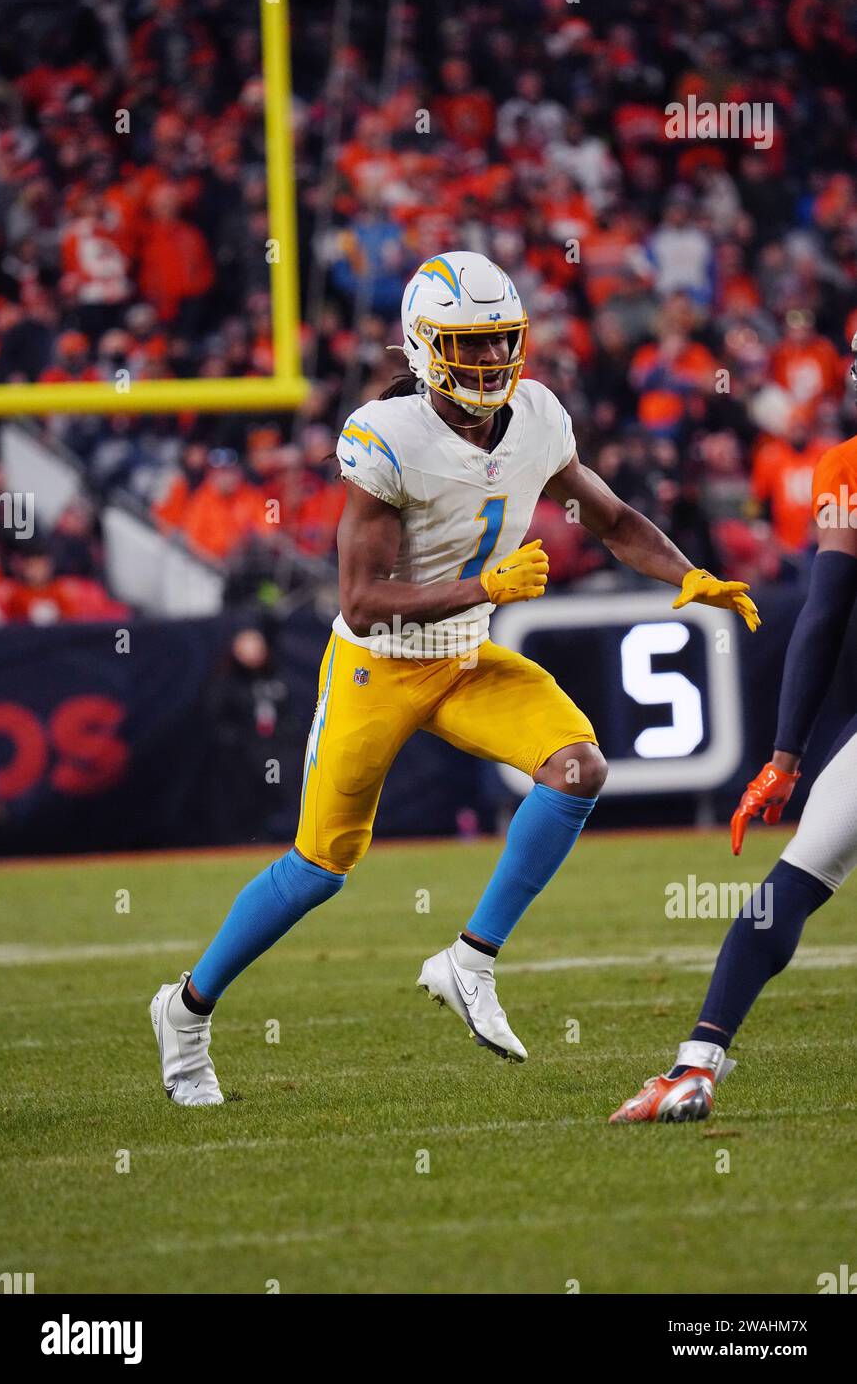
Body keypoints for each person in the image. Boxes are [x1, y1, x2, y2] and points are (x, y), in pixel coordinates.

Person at [150, 251, 758, 1106]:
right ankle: (185, 1011)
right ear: (424, 348)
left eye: (501, 342)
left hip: (467, 659)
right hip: (380, 667)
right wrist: (486, 586)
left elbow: (611, 518)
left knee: (577, 766)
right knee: (320, 866)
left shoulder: (537, 417)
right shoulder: (386, 436)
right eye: (470, 346)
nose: (491, 363)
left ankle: (469, 959)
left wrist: (687, 572)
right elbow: (362, 604)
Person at [610, 338, 857, 1125]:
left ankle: (695, 1067)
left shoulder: (846, 464)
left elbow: (824, 613)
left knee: (786, 889)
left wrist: (785, 755)